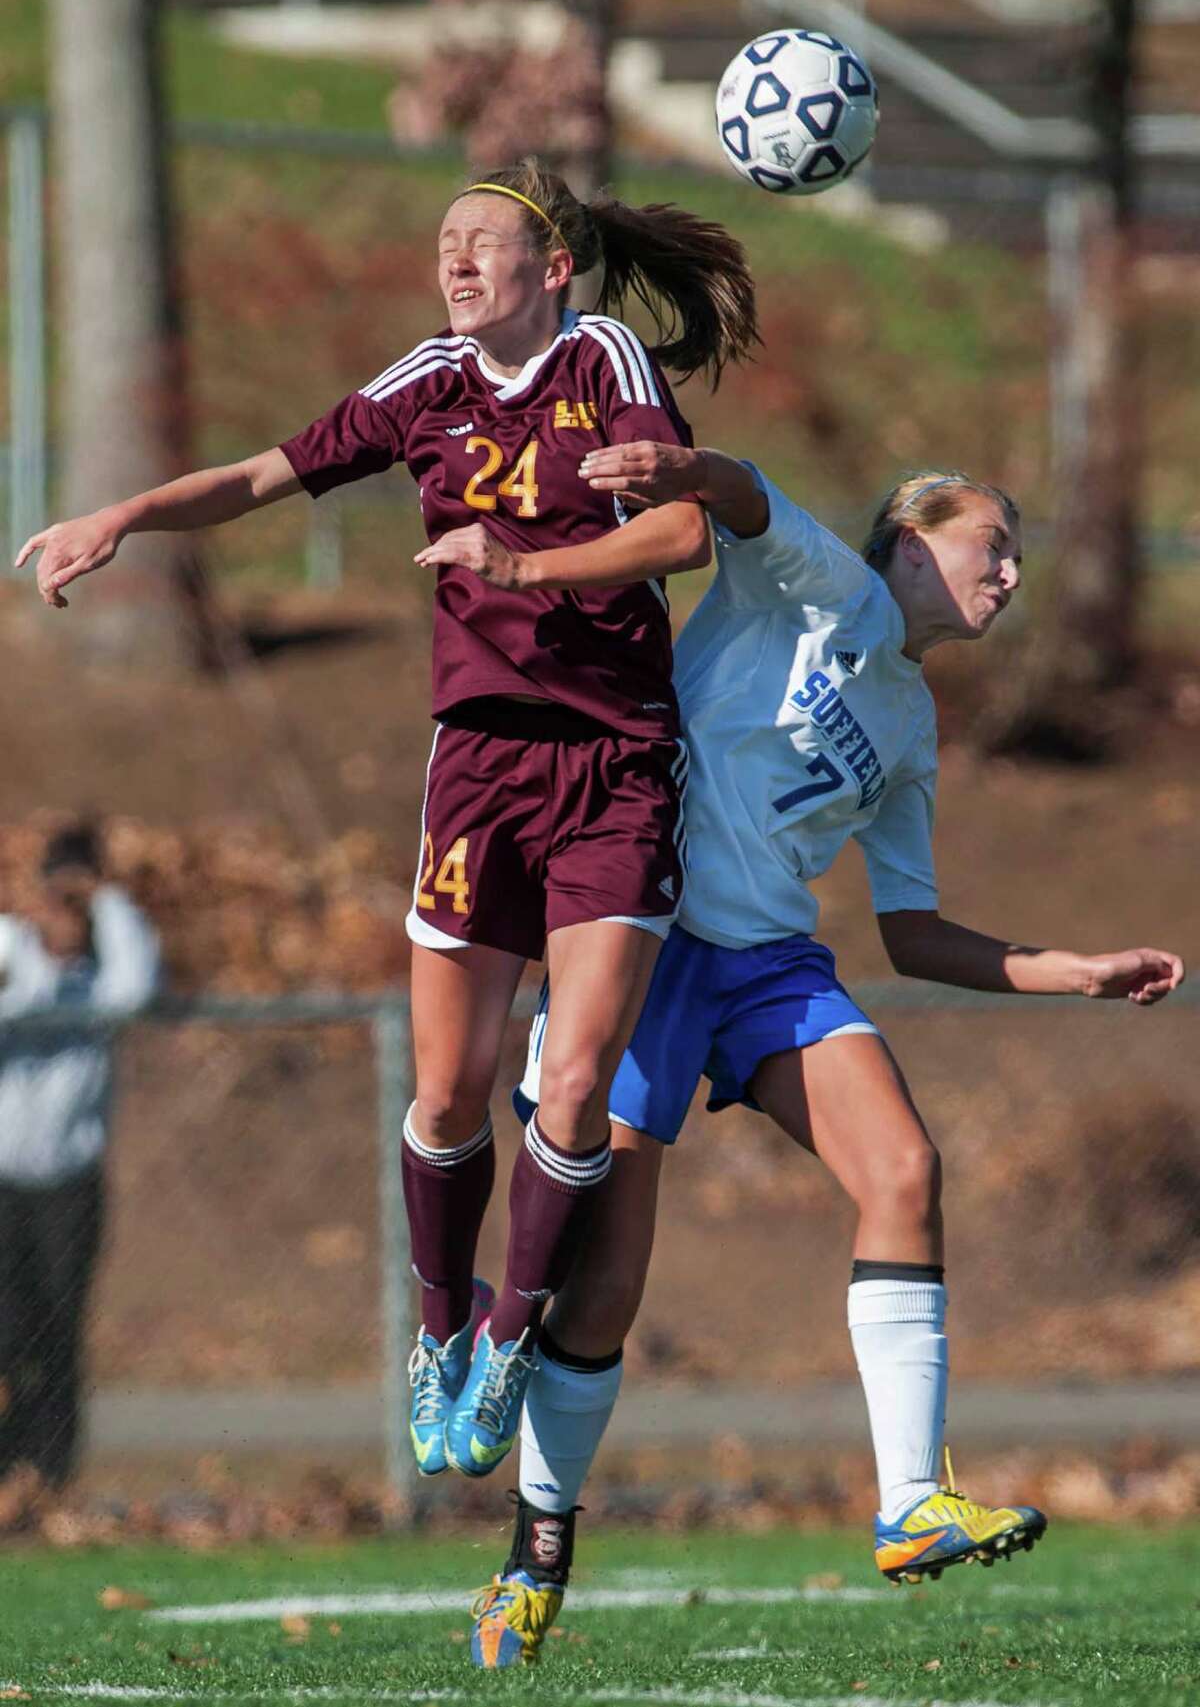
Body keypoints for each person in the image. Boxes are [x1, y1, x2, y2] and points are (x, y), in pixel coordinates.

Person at [15, 160, 758, 1481]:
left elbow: (687, 535)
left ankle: (513, 1332)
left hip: (618, 767)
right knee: (446, 1090)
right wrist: (121, 515)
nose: (457, 261)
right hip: (477, 770)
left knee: (574, 1081)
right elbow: (258, 476)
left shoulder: (606, 365)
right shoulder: (427, 387)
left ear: (554, 269)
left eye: (483, 241)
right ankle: (440, 1331)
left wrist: (522, 562)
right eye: (444, 243)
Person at [466, 444, 1186, 1667]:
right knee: (608, 1279)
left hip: (769, 966)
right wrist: (682, 462)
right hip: (650, 936)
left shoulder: (911, 720)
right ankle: (537, 1549)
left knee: (904, 1170)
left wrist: (1072, 968)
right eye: (989, 546)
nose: (1009, 574)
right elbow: (739, 499)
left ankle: (912, 1501)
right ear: (910, 544)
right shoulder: (810, 583)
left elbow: (909, 932)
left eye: (1014, 556)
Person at [0, 823, 162, 1488]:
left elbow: (136, 987)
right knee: (9, 1332)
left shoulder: (98, 986)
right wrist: (30, 933)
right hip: (3, 1185)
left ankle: (50, 1471)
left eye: (77, 909)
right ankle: (8, 1461)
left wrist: (106, 902)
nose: (62, 919)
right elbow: (17, 999)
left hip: (68, 1188)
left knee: (59, 1333)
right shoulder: (14, 963)